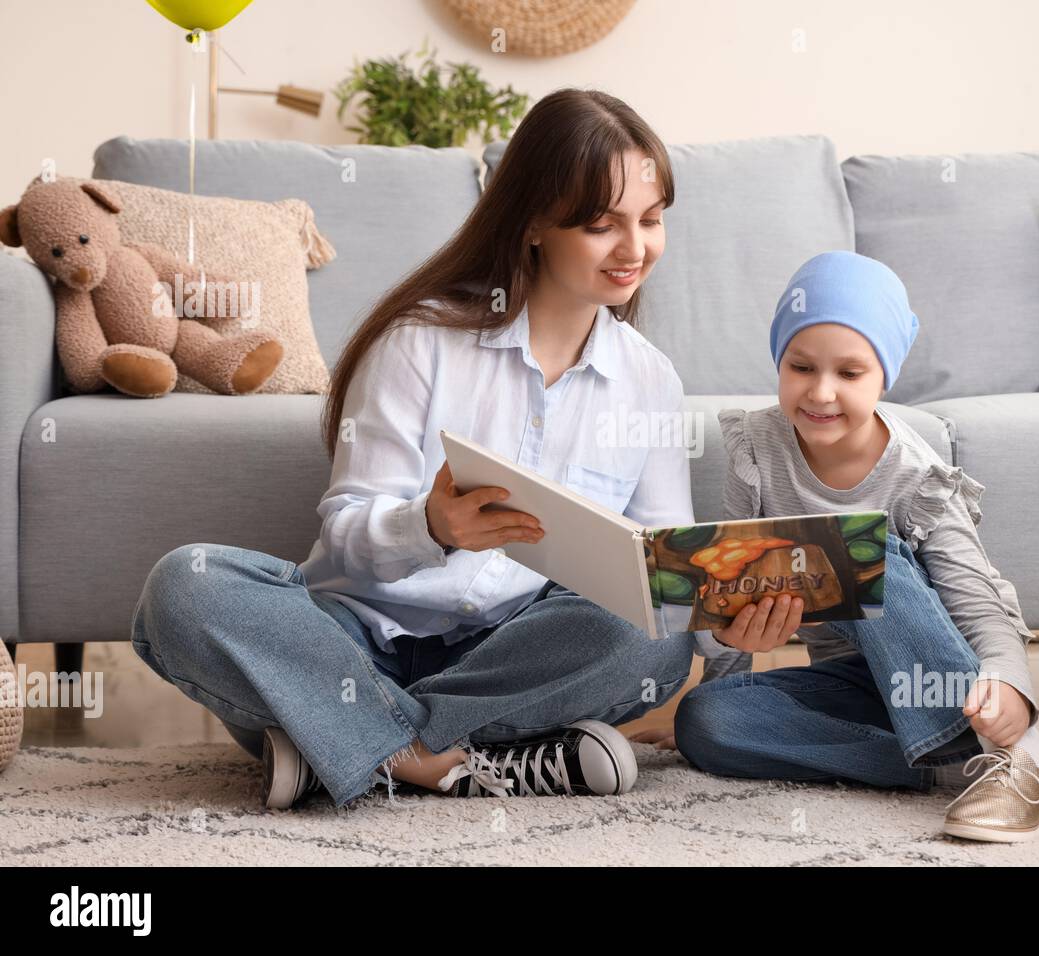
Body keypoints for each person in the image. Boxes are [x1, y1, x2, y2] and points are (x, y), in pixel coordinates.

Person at [130, 88, 711, 810]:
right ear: (534, 222)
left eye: (650, 221)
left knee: (652, 640)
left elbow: (660, 570)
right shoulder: (421, 343)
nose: (635, 249)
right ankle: (444, 756)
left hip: (514, 656)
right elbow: (344, 532)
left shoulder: (650, 381)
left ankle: (343, 744)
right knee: (186, 584)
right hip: (352, 644)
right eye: (602, 225)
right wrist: (429, 529)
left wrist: (727, 626)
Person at [664, 251, 1039, 842]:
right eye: (800, 366)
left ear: (883, 378)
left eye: (849, 374)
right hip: (856, 687)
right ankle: (970, 767)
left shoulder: (916, 478)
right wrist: (726, 643)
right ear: (779, 361)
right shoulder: (754, 450)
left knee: (859, 552)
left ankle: (1021, 757)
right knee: (705, 720)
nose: (821, 392)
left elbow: (978, 600)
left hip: (943, 679)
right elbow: (727, 586)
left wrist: (1010, 689)